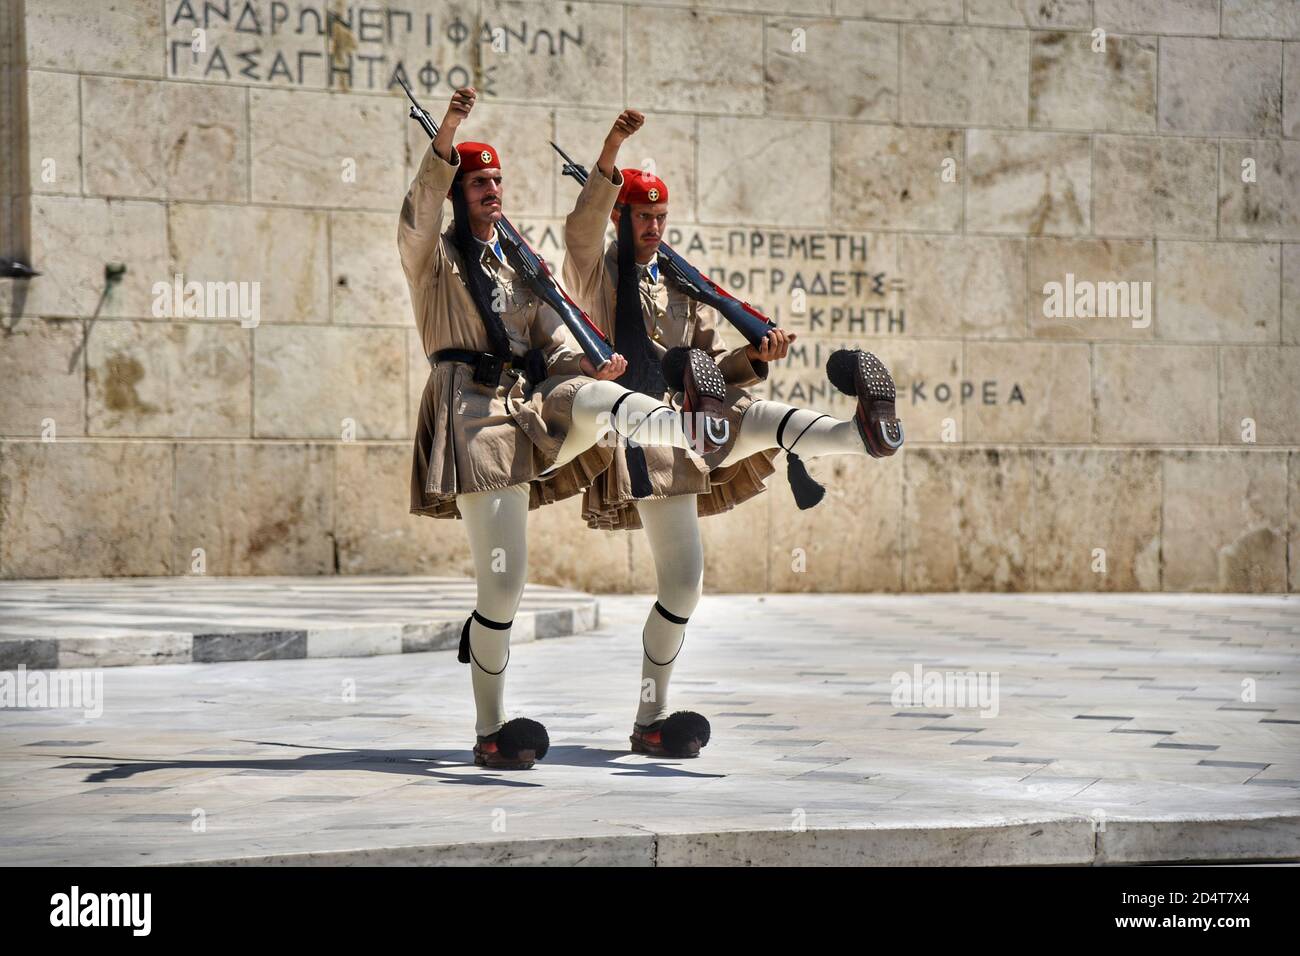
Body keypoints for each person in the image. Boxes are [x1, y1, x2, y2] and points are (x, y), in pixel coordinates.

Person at [560, 110, 904, 759]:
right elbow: (580, 228)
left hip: (702, 411)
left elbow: (714, 367)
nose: (654, 229)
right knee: (684, 583)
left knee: (766, 414)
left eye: (661, 219)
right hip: (647, 426)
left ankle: (864, 431)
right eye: (641, 218)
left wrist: (757, 355)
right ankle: (650, 720)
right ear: (621, 218)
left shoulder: (681, 283)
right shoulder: (596, 274)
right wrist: (612, 149)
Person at [400, 89, 708, 770]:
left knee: (591, 389)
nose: (490, 191)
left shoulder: (519, 265)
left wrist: (594, 362)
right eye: (477, 182)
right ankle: (491, 728)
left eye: (496, 181)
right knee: (504, 586)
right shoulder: (434, 259)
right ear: (457, 190)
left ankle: (646, 416)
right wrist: (447, 135)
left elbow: (554, 335)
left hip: (528, 403)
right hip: (473, 414)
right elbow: (421, 206)